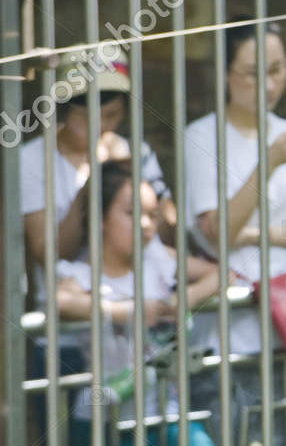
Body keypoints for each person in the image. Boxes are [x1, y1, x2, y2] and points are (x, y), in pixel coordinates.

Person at [183, 21, 286, 446]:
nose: (269, 85)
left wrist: (259, 235)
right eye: (254, 73)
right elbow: (220, 231)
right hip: (233, 338)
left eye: (277, 70)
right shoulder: (201, 136)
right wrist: (268, 164)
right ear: (226, 75)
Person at [56, 159, 223, 446]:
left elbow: (222, 274)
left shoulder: (159, 262)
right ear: (101, 219)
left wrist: (181, 299)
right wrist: (126, 310)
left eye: (153, 215)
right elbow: (61, 302)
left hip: (166, 412)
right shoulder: (79, 274)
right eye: (132, 213)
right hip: (104, 422)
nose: (146, 224)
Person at [19, 46, 176, 304]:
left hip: (141, 300)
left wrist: (146, 192)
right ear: (65, 109)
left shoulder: (138, 152)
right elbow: (49, 255)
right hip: (72, 312)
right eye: (87, 116)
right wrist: (96, 178)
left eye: (111, 115)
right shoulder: (31, 160)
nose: (101, 125)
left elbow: (168, 235)